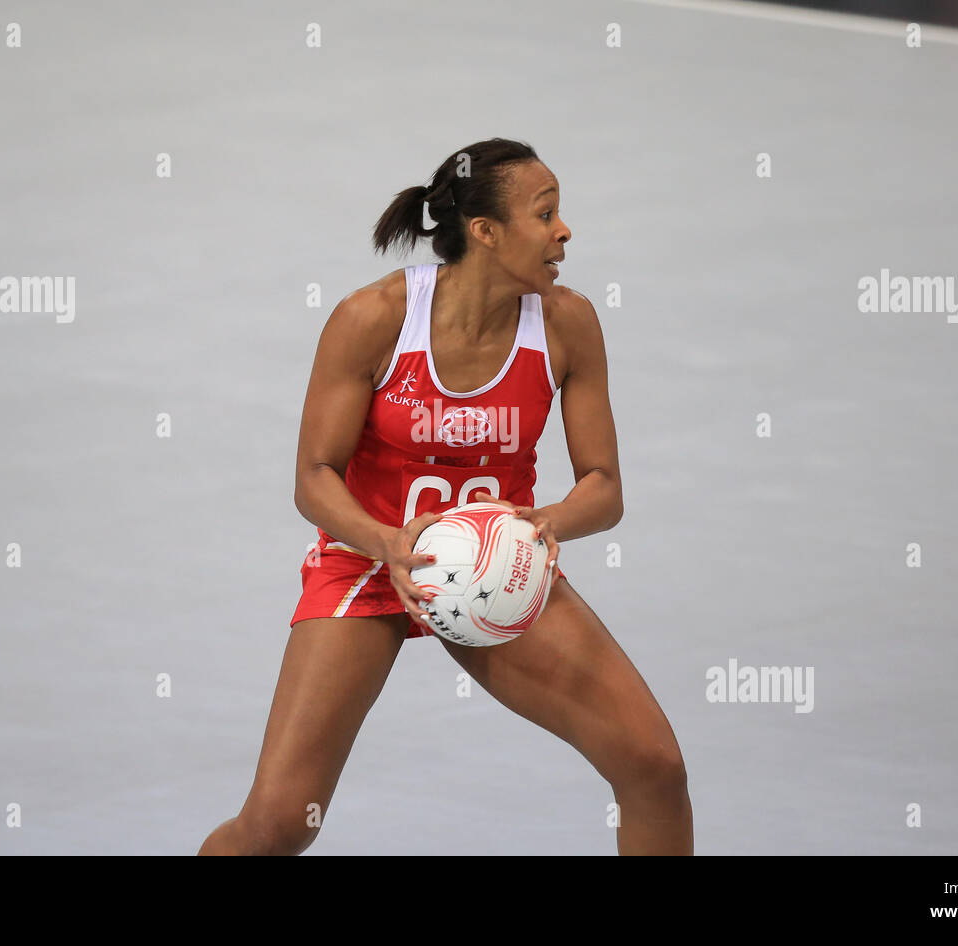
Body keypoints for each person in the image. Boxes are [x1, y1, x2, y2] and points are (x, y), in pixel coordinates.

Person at [198, 138, 692, 855]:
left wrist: (543, 522)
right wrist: (389, 543)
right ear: (486, 233)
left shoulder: (567, 324)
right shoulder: (373, 319)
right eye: (545, 213)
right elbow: (314, 477)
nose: (565, 231)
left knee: (654, 767)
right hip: (369, 560)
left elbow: (605, 487)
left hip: (500, 569)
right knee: (276, 825)